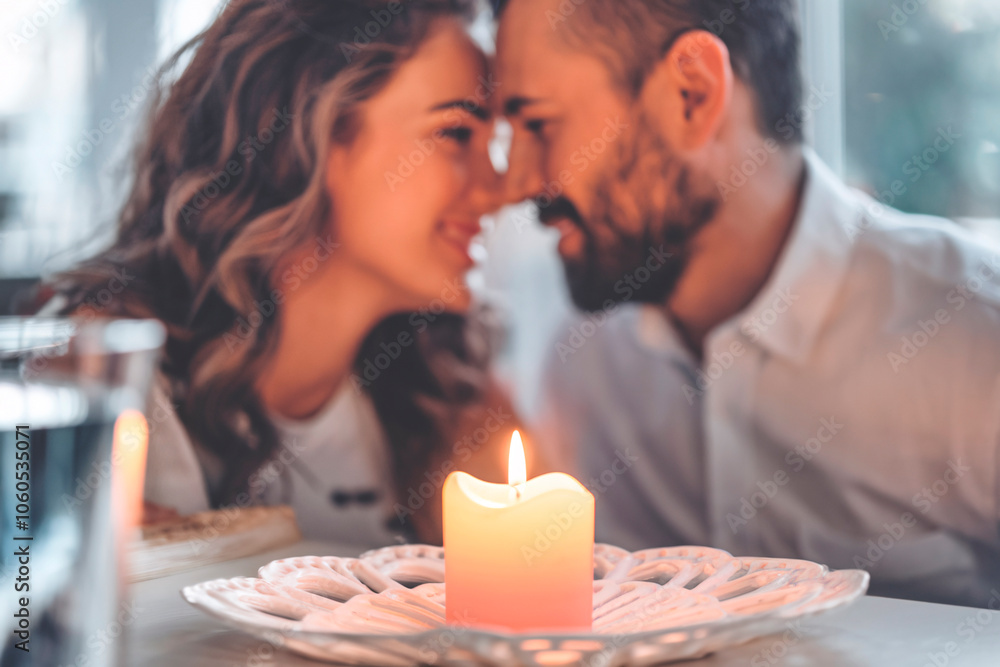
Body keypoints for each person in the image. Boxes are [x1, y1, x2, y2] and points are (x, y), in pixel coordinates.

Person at [495, 0, 1000, 607]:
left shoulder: (973, 345)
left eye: (540, 125)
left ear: (694, 94)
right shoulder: (584, 368)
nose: (514, 182)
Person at [48, 0, 528, 547]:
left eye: (498, 144)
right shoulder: (93, 376)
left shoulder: (453, 405)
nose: (502, 189)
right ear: (302, 132)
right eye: (457, 132)